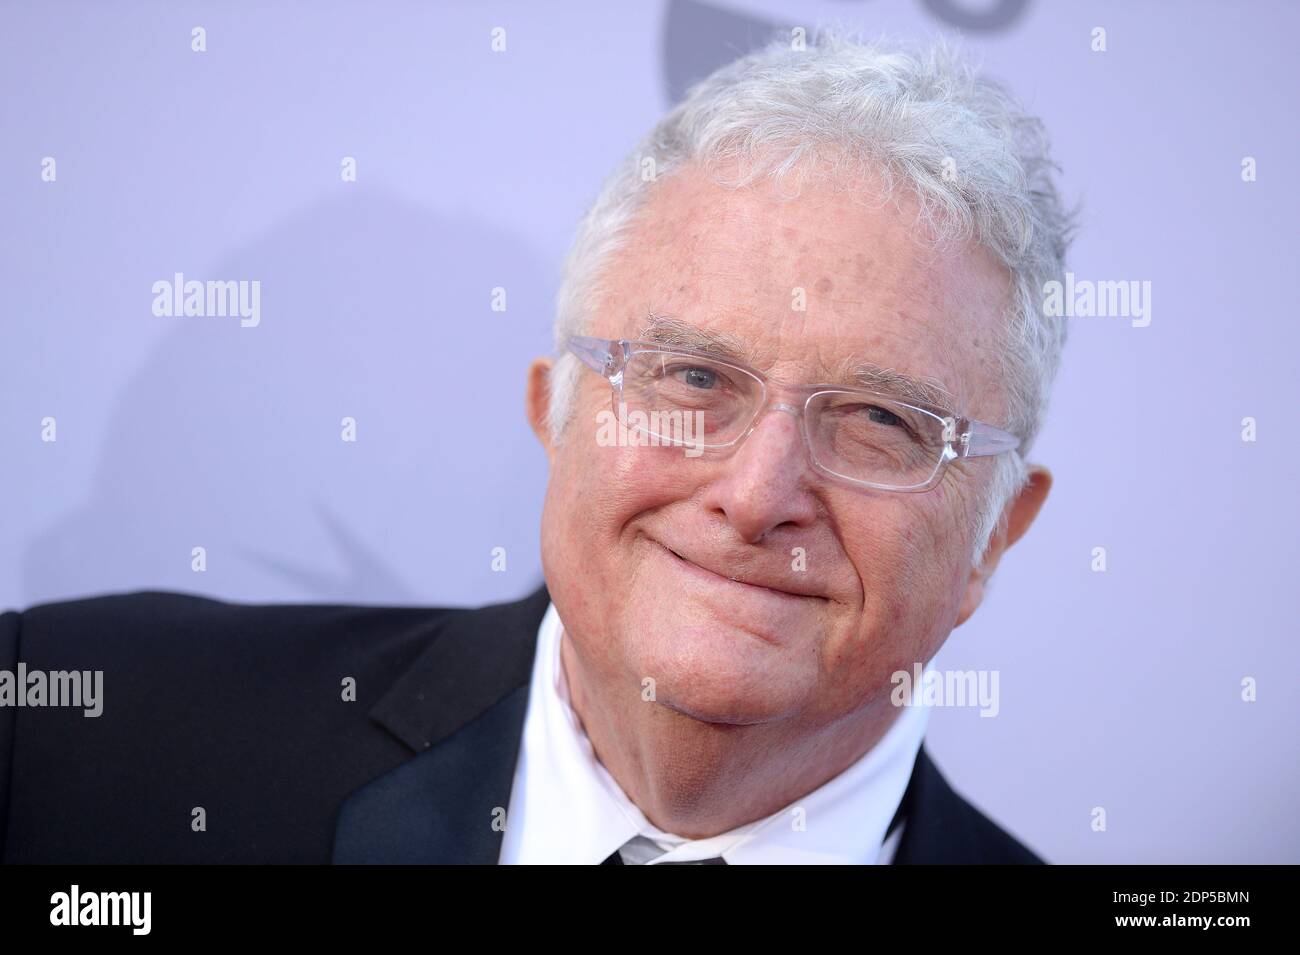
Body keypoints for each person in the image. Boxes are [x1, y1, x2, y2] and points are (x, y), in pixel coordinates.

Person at [0, 28, 1072, 864]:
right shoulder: (77, 733)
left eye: (879, 421)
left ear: (994, 536)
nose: (756, 496)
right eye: (692, 379)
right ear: (551, 412)